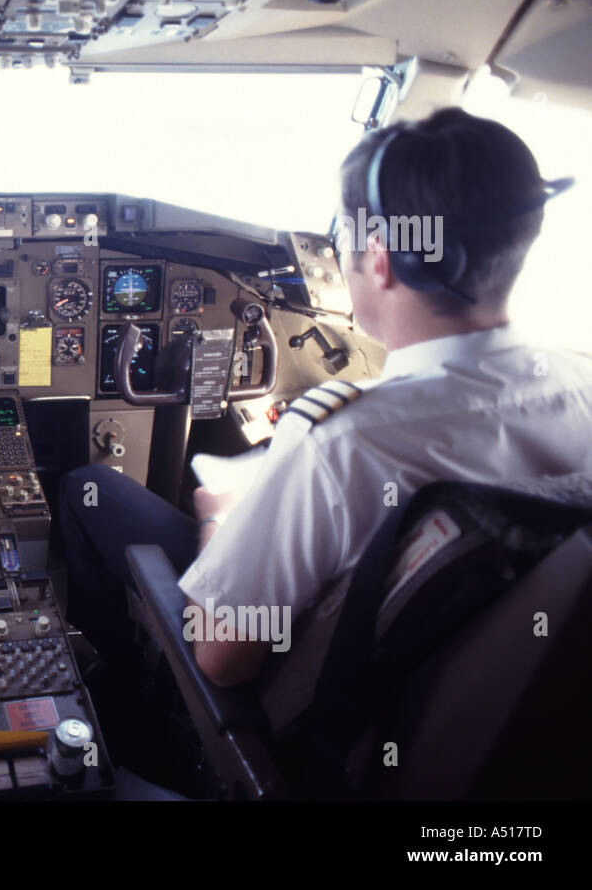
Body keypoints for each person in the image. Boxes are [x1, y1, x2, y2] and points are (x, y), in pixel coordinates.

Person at [60, 107, 592, 687]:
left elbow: (220, 657)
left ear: (383, 262)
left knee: (87, 489)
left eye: (343, 237)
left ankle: (129, 703)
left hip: (302, 722)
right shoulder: (581, 384)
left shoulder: (345, 441)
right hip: (482, 702)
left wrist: (222, 522)